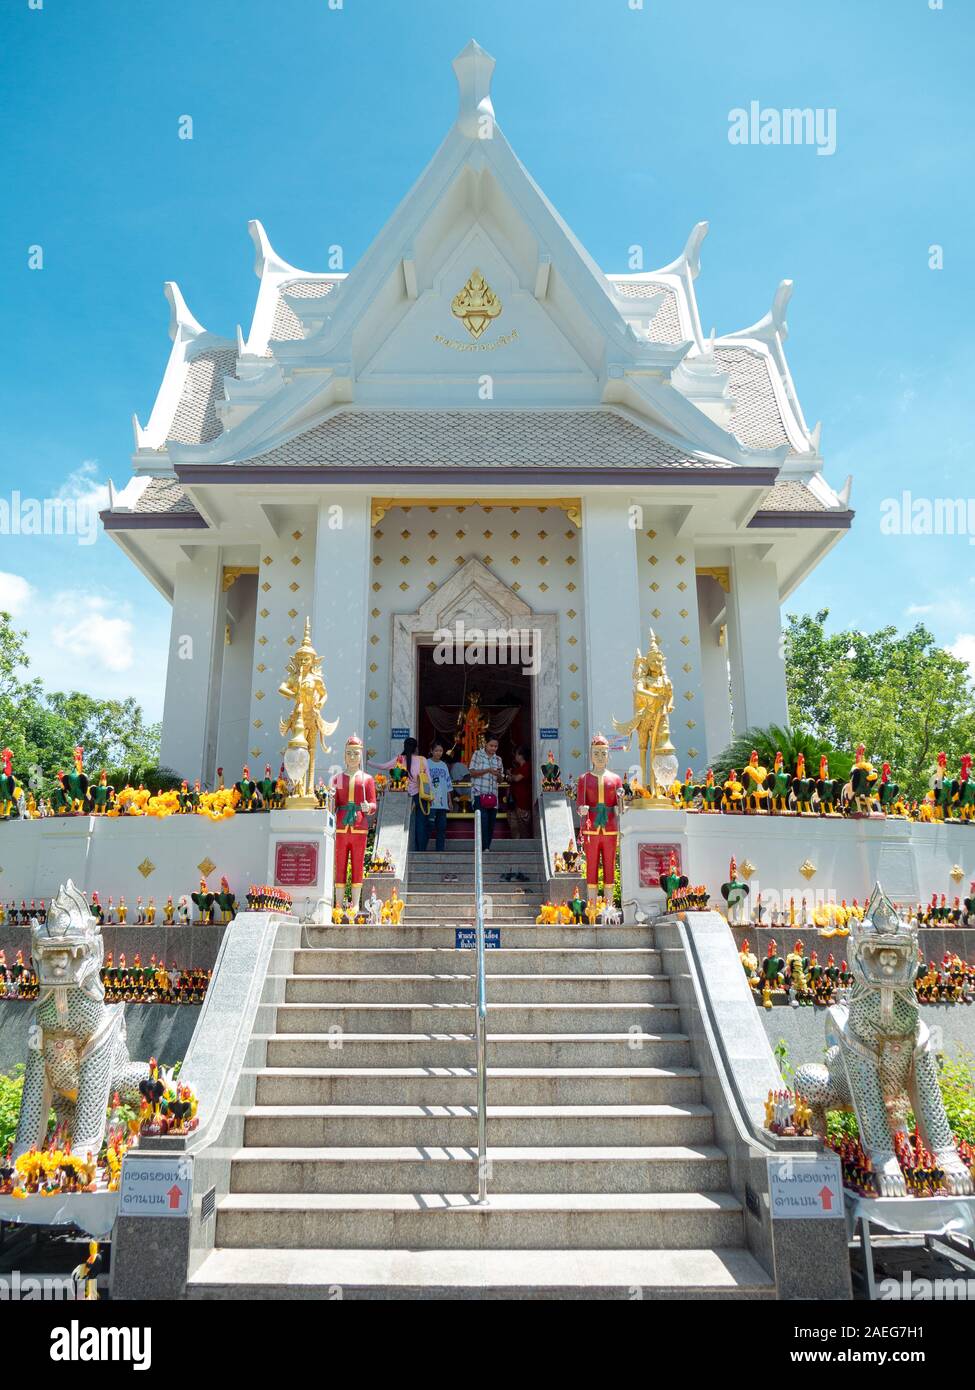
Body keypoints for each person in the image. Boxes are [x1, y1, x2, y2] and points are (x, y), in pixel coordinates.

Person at [370, 737, 431, 851]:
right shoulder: (422, 760)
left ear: (405, 747)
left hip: (404, 795)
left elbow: (383, 766)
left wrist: (367, 762)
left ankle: (406, 849)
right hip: (420, 796)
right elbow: (429, 780)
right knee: (421, 823)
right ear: (416, 748)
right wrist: (430, 796)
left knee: (402, 823)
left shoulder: (399, 759)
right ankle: (421, 849)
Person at [469, 736, 504, 851]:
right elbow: (472, 772)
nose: (494, 748)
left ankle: (487, 847)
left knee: (491, 823)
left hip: (493, 796)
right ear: (486, 745)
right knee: (482, 822)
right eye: (491, 745)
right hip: (479, 794)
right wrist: (488, 770)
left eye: (496, 746)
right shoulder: (477, 755)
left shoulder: (498, 759)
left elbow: (501, 780)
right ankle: (481, 847)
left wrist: (498, 775)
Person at [426, 742, 452, 852]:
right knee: (429, 825)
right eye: (436, 750)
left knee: (442, 827)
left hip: (442, 802)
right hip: (431, 801)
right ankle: (423, 847)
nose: (438, 753)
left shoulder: (443, 765)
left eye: (441, 751)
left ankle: (440, 849)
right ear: (431, 751)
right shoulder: (426, 763)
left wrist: (449, 801)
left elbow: (448, 783)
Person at [507, 745, 533, 838]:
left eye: (517, 754)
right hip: (514, 801)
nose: (515, 756)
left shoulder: (527, 766)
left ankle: (525, 848)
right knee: (514, 826)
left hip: (523, 801)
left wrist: (511, 776)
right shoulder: (517, 768)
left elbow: (517, 778)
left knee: (523, 827)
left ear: (521, 756)